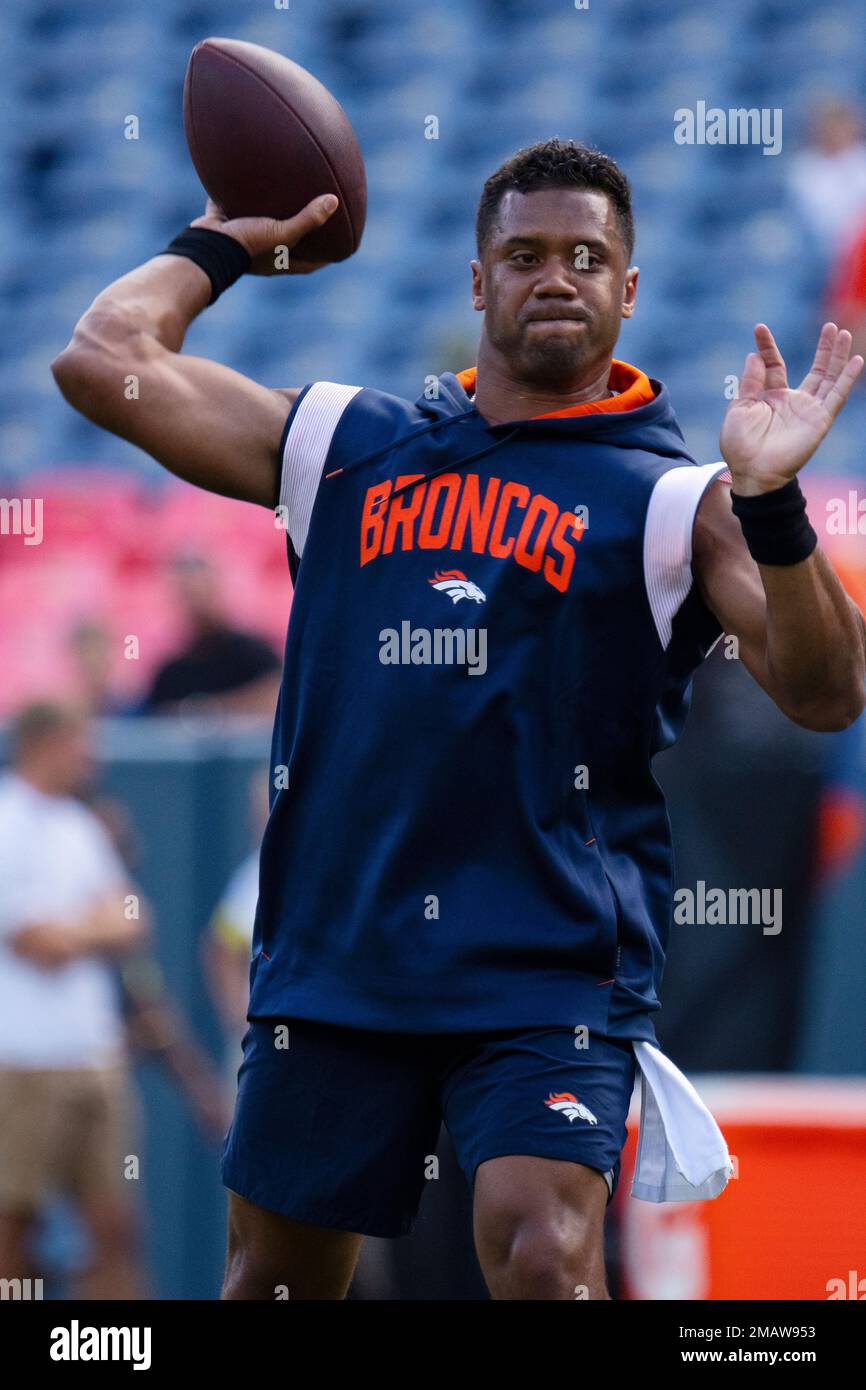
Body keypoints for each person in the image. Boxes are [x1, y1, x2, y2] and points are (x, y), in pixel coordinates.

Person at [52, 138, 866, 1301]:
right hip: (340, 947)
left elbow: (828, 690)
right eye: (524, 254)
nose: (556, 276)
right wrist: (226, 242)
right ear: (475, 282)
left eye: (587, 257)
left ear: (627, 291)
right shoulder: (347, 444)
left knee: (544, 1254)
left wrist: (773, 504)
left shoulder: (674, 500)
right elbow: (101, 359)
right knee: (272, 1281)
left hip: (543, 963)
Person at [0, 703, 149, 1298]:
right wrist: (93, 926)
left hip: (97, 1061)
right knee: (14, 1231)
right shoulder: (7, 822)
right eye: (81, 743)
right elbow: (37, 943)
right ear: (46, 742)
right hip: (21, 1062)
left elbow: (134, 918)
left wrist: (75, 930)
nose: (94, 758)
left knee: (114, 1226)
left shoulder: (80, 824)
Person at [140, 550, 281, 717]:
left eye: (201, 592)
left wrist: (207, 710)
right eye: (188, 595)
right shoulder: (171, 674)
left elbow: (276, 699)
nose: (196, 605)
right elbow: (156, 720)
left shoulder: (254, 654)